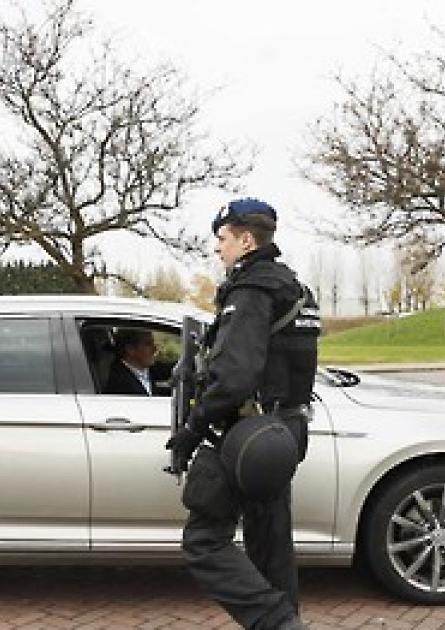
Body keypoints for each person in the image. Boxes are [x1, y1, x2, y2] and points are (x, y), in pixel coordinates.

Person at [166, 198, 320, 630]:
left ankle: (277, 623)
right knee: (270, 546)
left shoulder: (251, 289)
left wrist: (192, 431)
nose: (218, 249)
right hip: (282, 433)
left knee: (203, 542)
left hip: (246, 435)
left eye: (223, 239)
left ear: (246, 240)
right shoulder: (294, 287)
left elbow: (234, 377)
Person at [104, 328, 157, 396]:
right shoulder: (119, 384)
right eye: (148, 344)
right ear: (130, 349)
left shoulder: (146, 368)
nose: (154, 349)